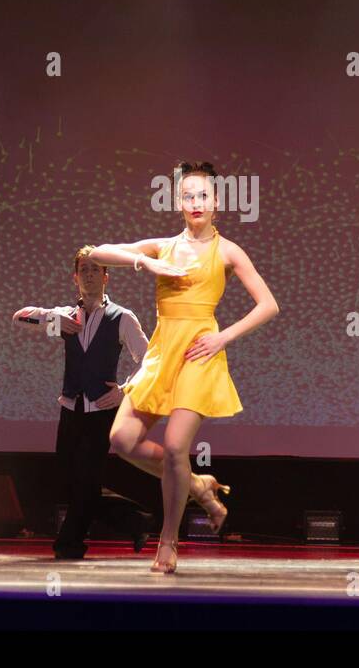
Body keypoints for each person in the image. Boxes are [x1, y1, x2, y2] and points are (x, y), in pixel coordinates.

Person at [89, 161, 279, 573]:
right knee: (121, 439)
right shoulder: (164, 246)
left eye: (203, 196)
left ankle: (168, 542)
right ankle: (197, 485)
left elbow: (268, 305)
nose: (196, 203)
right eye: (188, 196)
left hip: (199, 352)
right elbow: (96, 252)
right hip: (162, 351)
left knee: (176, 447)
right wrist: (146, 263)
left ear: (216, 203)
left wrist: (223, 337)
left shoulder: (227, 251)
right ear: (178, 202)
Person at [13, 245, 153, 560]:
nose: (89, 275)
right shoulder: (64, 316)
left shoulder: (122, 317)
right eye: (84, 270)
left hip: (102, 409)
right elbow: (19, 318)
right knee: (71, 478)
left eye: (95, 270)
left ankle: (70, 545)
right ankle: (132, 519)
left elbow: (149, 361)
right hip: (71, 407)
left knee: (87, 478)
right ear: (76, 277)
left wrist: (125, 390)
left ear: (106, 277)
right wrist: (53, 321)